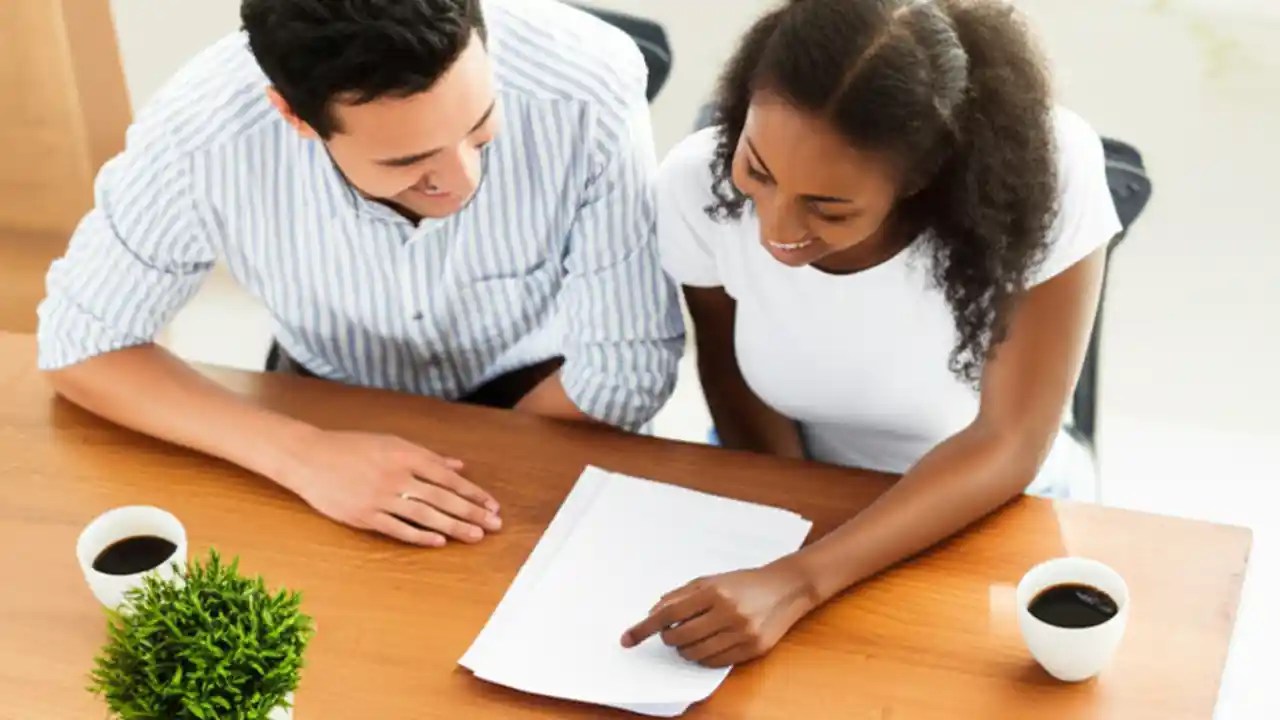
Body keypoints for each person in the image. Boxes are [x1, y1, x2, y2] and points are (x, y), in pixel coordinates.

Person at [37, 0, 683, 548]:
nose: (465, 180)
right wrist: (304, 456)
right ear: (294, 116)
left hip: (555, 398)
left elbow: (626, 371)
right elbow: (81, 343)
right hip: (328, 399)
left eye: (480, 129)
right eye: (411, 161)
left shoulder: (591, 80)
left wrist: (445, 486)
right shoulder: (198, 137)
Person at [622, 0, 1121, 667]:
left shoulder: (1051, 173)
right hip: (792, 483)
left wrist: (800, 581)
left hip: (991, 501)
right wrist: (786, 540)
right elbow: (729, 373)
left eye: (828, 207)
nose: (774, 229)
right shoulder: (695, 185)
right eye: (758, 173)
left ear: (921, 178)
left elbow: (1010, 440)